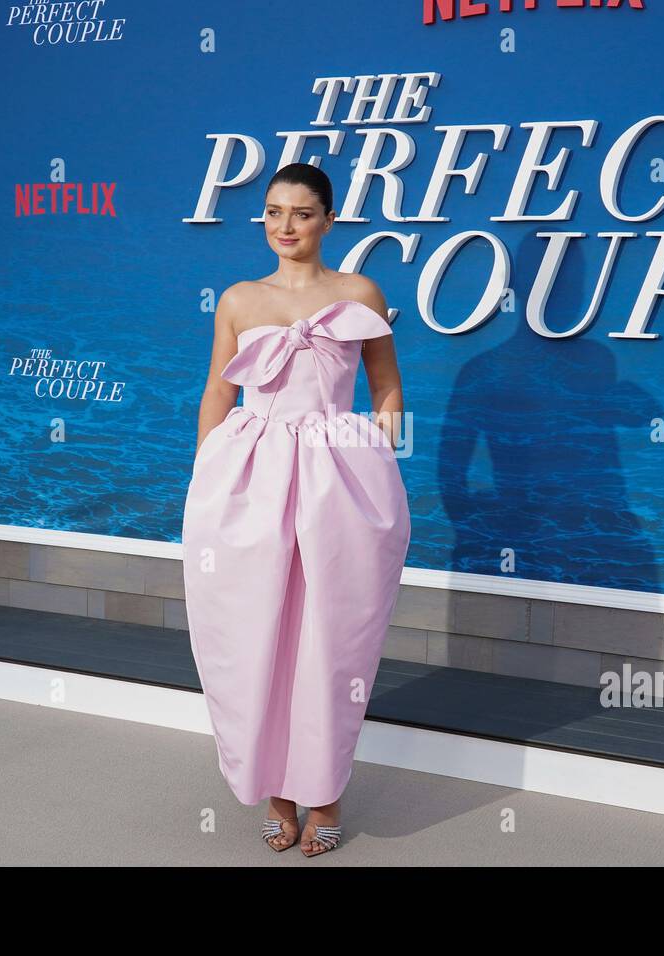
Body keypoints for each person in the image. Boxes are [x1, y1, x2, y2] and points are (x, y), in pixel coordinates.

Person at [181, 162, 412, 857]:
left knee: (332, 640)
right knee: (258, 636)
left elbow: (388, 388)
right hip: (251, 482)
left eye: (302, 213)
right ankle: (280, 798)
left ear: (329, 220)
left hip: (337, 484)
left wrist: (378, 461)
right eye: (274, 213)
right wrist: (205, 478)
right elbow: (218, 395)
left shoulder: (359, 291)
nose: (286, 227)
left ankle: (328, 797)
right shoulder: (239, 299)